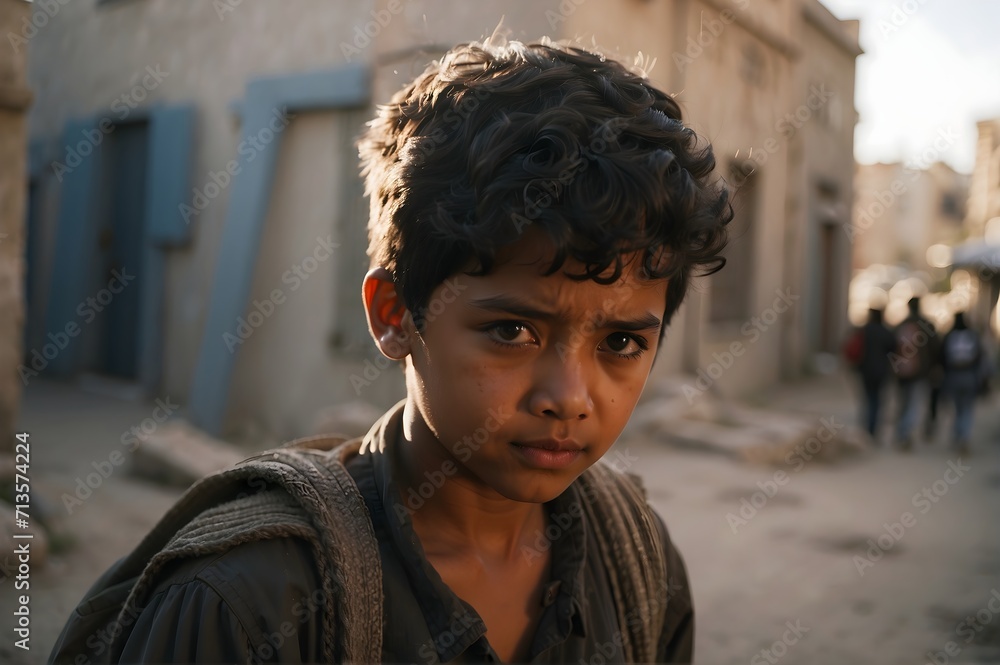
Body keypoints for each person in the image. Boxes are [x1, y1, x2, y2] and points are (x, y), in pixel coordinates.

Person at [50, 37, 731, 664]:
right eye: (513, 331)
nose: (570, 397)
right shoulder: (245, 603)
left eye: (620, 342)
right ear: (395, 314)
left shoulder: (638, 563)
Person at [889, 296, 938, 450]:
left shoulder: (901, 325)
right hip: (920, 373)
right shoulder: (927, 326)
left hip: (902, 373)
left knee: (903, 404)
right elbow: (935, 350)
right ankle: (904, 433)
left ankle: (902, 433)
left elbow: (891, 348)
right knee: (913, 405)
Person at [939, 311, 983, 456]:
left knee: (958, 408)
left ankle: (958, 436)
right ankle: (964, 436)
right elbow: (979, 357)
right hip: (969, 376)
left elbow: (942, 358)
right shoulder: (972, 336)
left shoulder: (949, 336)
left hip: (953, 376)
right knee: (967, 408)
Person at [850, 308, 897, 440]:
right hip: (881, 372)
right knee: (877, 400)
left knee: (868, 399)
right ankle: (872, 429)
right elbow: (894, 348)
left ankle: (867, 428)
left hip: (865, 371)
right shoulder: (886, 332)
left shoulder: (864, 331)